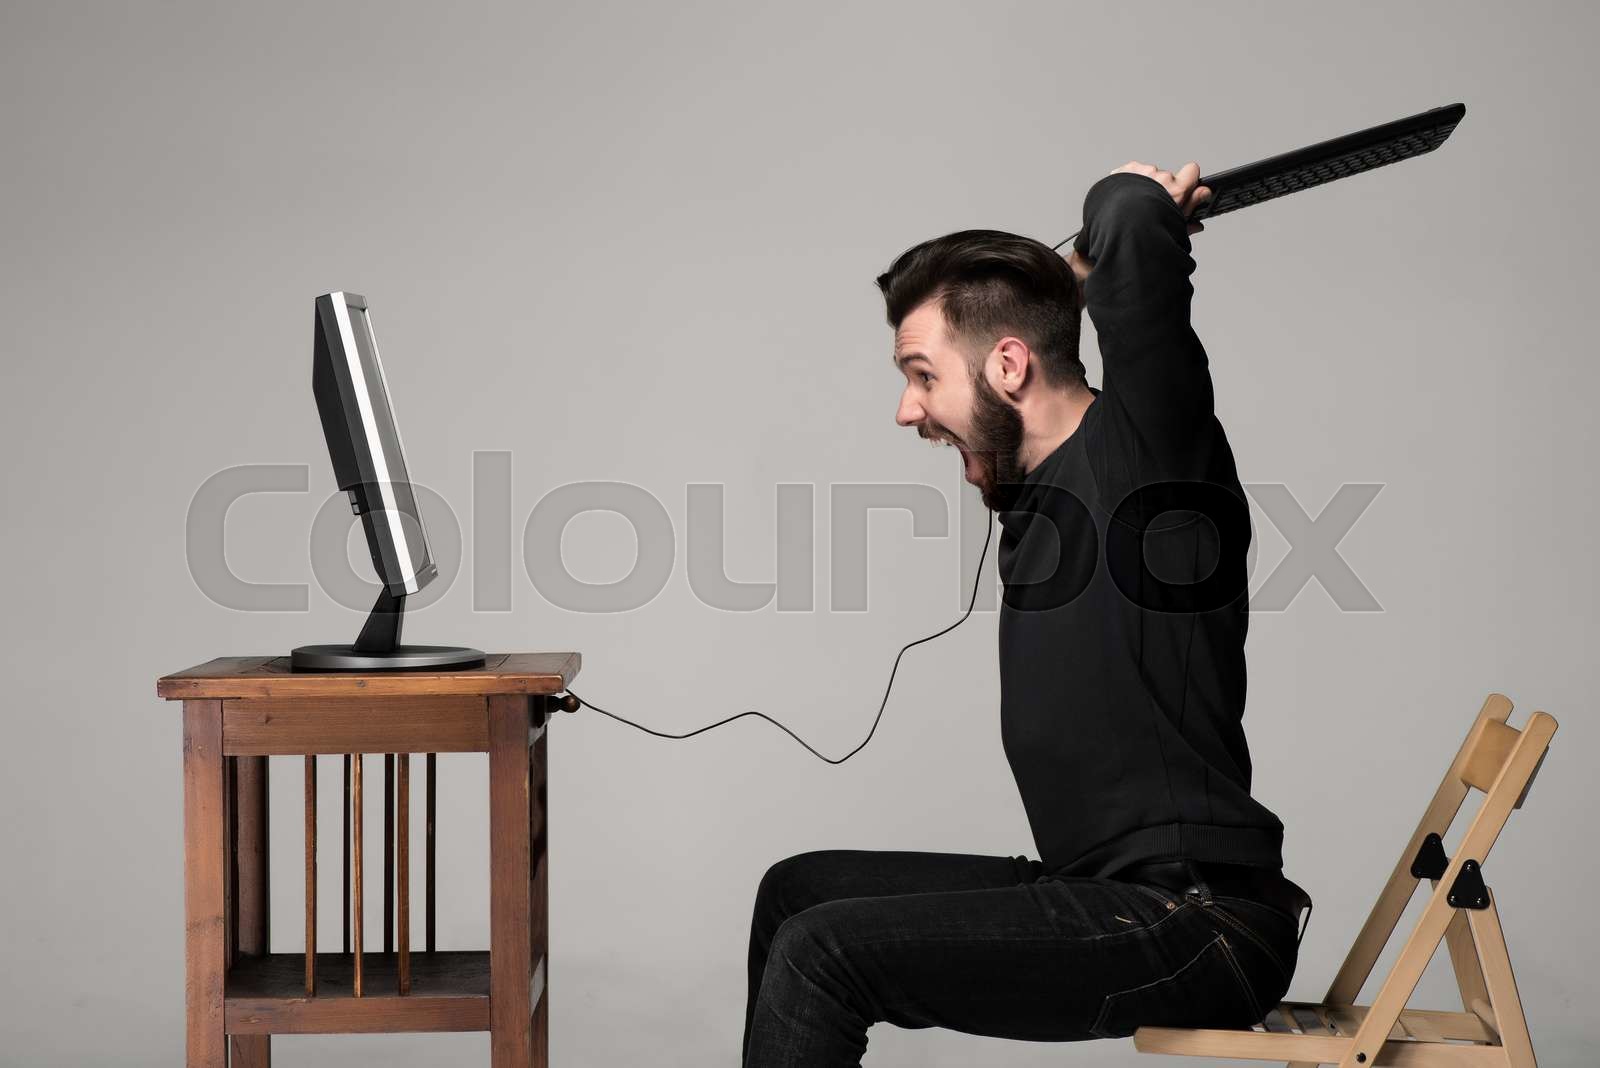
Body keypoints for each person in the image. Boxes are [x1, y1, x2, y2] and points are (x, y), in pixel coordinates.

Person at [741, 161, 1313, 1067]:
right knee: (796, 897)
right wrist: (1067, 289)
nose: (904, 409)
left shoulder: (1149, 468)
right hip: (1098, 889)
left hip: (1193, 920)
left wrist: (1133, 222)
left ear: (1008, 365)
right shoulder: (1040, 500)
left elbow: (1126, 211)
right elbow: (1011, 443)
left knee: (825, 953)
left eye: (921, 374)